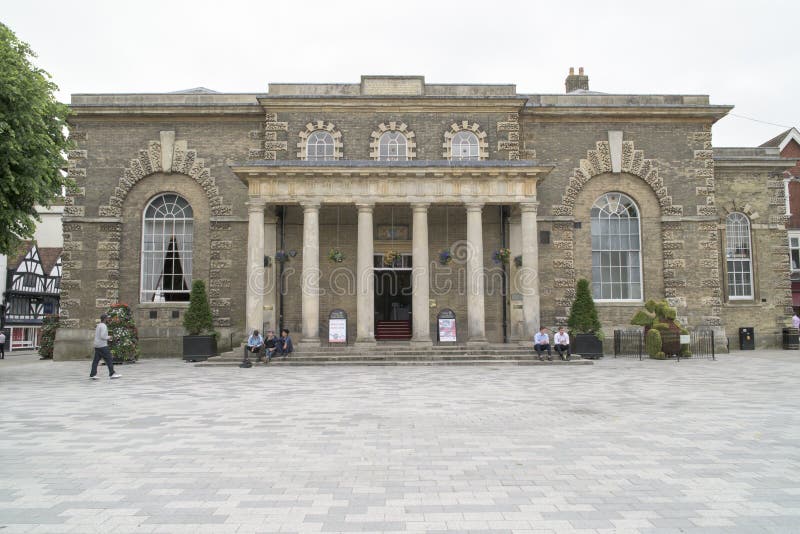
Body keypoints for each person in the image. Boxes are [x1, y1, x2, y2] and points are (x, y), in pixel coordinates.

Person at [90, 314, 121, 379]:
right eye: (107, 318)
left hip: (97, 345)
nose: (108, 319)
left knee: (95, 361)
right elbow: (103, 336)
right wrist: (110, 337)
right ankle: (112, 373)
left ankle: (93, 374)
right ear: (105, 319)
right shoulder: (104, 326)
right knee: (109, 359)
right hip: (103, 346)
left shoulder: (98, 325)